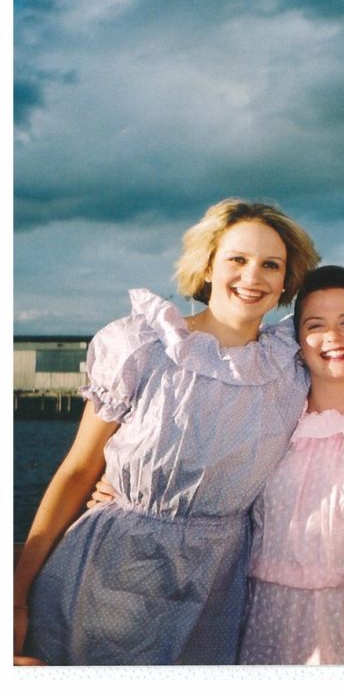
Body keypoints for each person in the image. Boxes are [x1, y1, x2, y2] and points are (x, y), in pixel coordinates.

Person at [14, 199, 320, 665]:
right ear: (208, 266)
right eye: (237, 259)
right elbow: (78, 469)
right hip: (110, 574)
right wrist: (16, 594)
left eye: (270, 265)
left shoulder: (290, 369)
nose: (252, 276)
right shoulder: (144, 348)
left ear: (286, 281)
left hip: (218, 589)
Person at [238, 266, 344, 664]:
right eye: (316, 325)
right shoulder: (269, 421)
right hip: (268, 619)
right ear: (299, 343)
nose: (333, 336)